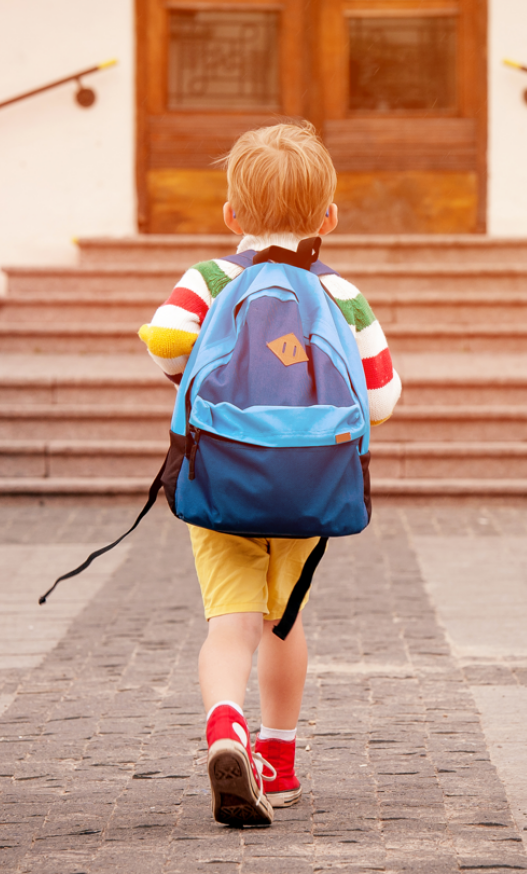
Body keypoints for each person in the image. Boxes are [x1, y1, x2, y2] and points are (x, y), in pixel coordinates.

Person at [138, 122, 401, 826]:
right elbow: (380, 398)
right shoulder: (340, 292)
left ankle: (226, 726)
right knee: (284, 623)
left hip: (220, 479)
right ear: (329, 217)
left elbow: (166, 340)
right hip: (307, 485)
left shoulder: (210, 278)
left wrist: (193, 375)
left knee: (229, 625)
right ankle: (278, 761)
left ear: (231, 216)